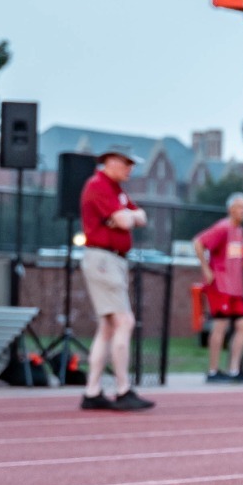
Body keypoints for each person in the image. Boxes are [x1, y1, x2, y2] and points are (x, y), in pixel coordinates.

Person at [77, 147, 153, 412]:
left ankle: (92, 390)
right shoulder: (99, 185)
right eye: (126, 163)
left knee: (108, 326)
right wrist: (125, 218)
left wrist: (127, 217)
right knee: (124, 321)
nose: (130, 169)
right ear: (110, 162)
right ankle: (122, 389)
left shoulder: (116, 189)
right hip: (103, 259)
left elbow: (138, 217)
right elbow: (125, 220)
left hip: (115, 259)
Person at [195, 193, 243, 382]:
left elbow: (242, 260)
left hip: (235, 288)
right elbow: (198, 243)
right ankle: (213, 371)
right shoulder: (223, 228)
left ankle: (234, 370)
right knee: (220, 325)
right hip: (220, 286)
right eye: (240, 207)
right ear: (231, 209)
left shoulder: (239, 232)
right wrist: (206, 269)